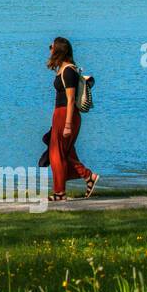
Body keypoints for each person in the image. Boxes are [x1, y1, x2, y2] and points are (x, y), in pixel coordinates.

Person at [45, 37, 99, 202]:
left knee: (57, 153)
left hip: (66, 115)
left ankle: (60, 193)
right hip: (60, 114)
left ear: (58, 50)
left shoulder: (68, 71)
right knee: (62, 153)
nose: (49, 50)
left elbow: (69, 100)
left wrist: (67, 125)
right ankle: (87, 177)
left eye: (51, 47)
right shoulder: (64, 69)